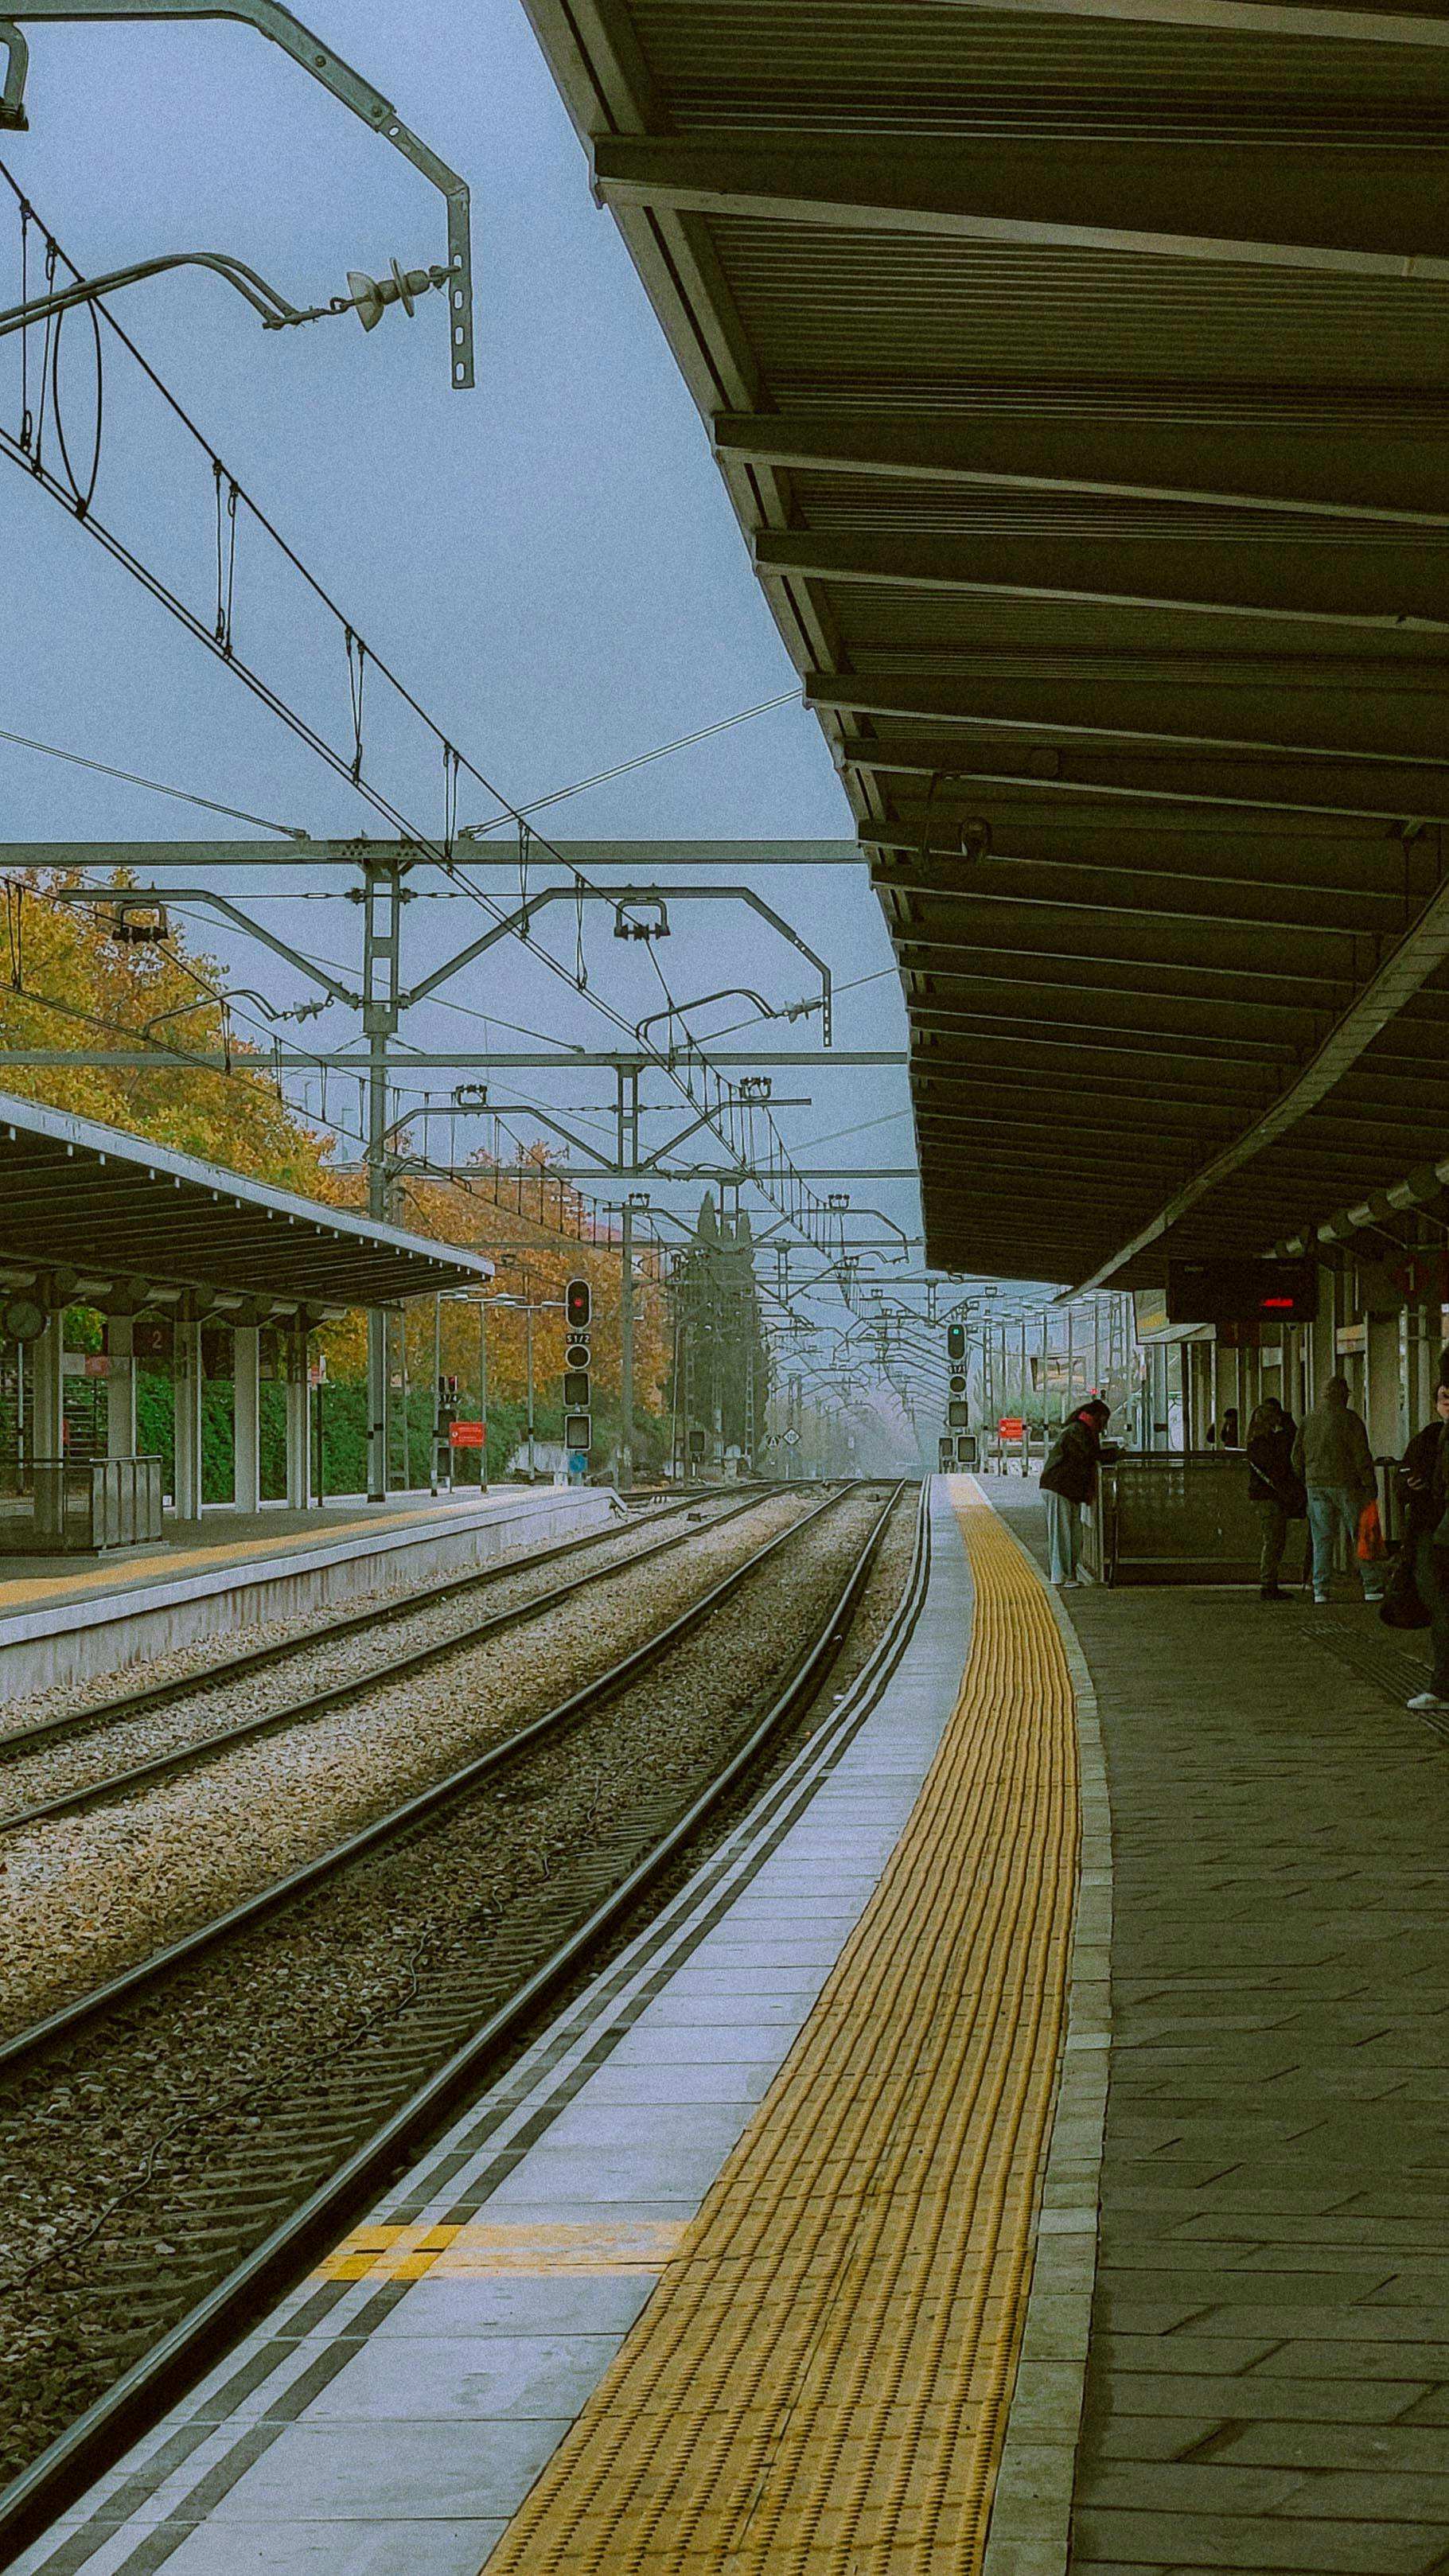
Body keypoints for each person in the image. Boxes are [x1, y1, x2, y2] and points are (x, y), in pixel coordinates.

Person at [1291, 1374, 1384, 1606]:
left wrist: (1306, 1478)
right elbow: (1361, 1455)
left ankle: (1320, 1590)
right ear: (1344, 1396)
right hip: (1347, 1485)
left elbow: (1295, 1456)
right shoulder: (1350, 1420)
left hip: (1315, 1486)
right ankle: (1372, 1586)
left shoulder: (1308, 1420)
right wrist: (1370, 1485)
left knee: (1321, 1538)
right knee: (1360, 1534)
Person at [1397, 1378, 1449, 1713]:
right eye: (1444, 1396)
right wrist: (1410, 1484)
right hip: (1434, 1534)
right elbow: (1403, 1477)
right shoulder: (1431, 1437)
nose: (1448, 1402)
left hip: (1439, 1536)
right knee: (1443, 1612)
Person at [1040, 1397, 1117, 1588]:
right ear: (1098, 1417)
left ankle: (1069, 1575)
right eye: (1104, 1421)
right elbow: (1089, 1455)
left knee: (1072, 1534)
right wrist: (1114, 1454)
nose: (1104, 1426)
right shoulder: (1078, 1431)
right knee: (1063, 1534)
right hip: (1059, 1487)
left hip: (1067, 1489)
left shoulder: (1083, 1430)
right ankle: (1061, 1576)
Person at [1245, 1396, 1303, 1602]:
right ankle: (1268, 1583)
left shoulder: (1255, 1442)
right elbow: (1280, 1462)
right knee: (1273, 1541)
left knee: (1274, 1540)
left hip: (1265, 1497)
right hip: (1269, 1498)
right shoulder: (1264, 1444)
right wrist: (1285, 1426)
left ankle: (1269, 1582)